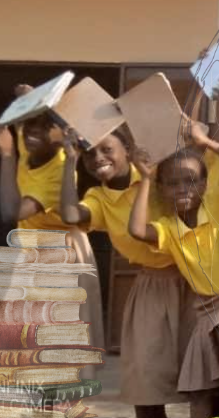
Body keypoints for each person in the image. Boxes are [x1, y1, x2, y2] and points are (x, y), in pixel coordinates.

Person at [58, 127, 194, 418]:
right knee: (144, 381)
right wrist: (70, 159)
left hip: (193, 279)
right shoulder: (98, 196)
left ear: (128, 151)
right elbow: (70, 215)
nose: (98, 158)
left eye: (107, 149)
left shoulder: (157, 174)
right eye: (90, 153)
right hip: (151, 285)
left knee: (202, 377)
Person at [127, 146, 219, 418]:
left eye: (191, 181)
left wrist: (205, 140)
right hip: (206, 309)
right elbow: (136, 230)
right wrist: (144, 179)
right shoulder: (168, 227)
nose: (182, 188)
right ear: (162, 189)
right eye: (173, 183)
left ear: (204, 184)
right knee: (200, 394)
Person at [0, 90, 105, 379]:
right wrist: (31, 97)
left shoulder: (58, 168)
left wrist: (8, 155)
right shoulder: (33, 140)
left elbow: (12, 212)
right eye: (29, 124)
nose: (34, 131)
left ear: (62, 132)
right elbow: (23, 97)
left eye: (46, 125)